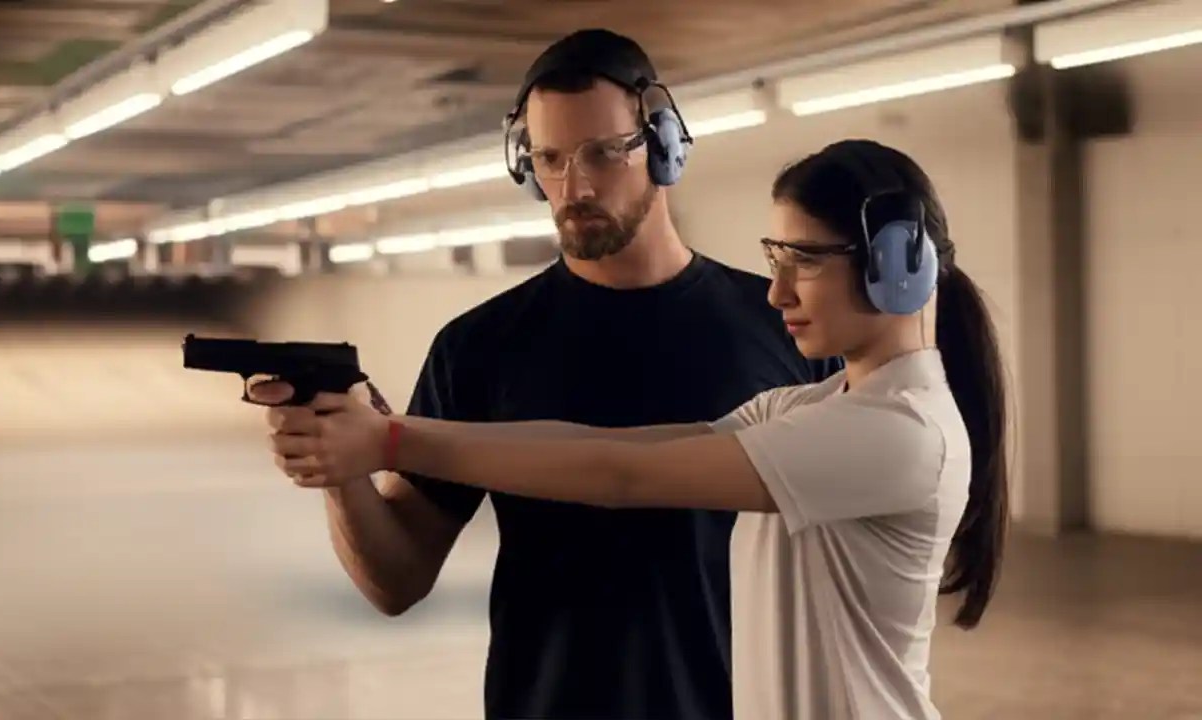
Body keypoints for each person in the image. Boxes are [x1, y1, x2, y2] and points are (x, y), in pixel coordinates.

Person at [259, 138, 1009, 719]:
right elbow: (611, 445)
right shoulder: (812, 409)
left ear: (898, 266)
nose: (777, 291)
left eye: (805, 261)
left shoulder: (898, 432)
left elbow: (621, 479)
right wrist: (393, 433)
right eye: (774, 259)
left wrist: (391, 442)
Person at [250, 28, 839, 720]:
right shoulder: (480, 347)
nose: (574, 186)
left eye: (602, 153)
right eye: (550, 159)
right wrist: (340, 466)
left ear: (664, 144)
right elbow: (396, 580)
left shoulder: (786, 329)